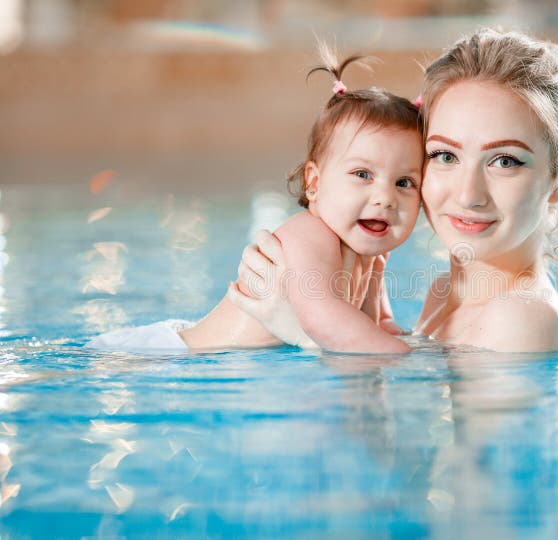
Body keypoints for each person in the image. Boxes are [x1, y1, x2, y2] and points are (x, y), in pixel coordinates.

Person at [233, 28, 558, 353]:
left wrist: (308, 338)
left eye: (505, 161)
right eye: (445, 155)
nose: (468, 195)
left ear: (557, 187)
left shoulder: (523, 319)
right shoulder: (442, 297)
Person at [88, 49, 423, 354]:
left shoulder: (371, 255)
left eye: (404, 182)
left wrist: (396, 336)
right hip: (167, 354)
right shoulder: (312, 237)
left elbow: (375, 326)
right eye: (363, 174)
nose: (385, 198)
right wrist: (404, 358)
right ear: (315, 183)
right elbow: (323, 320)